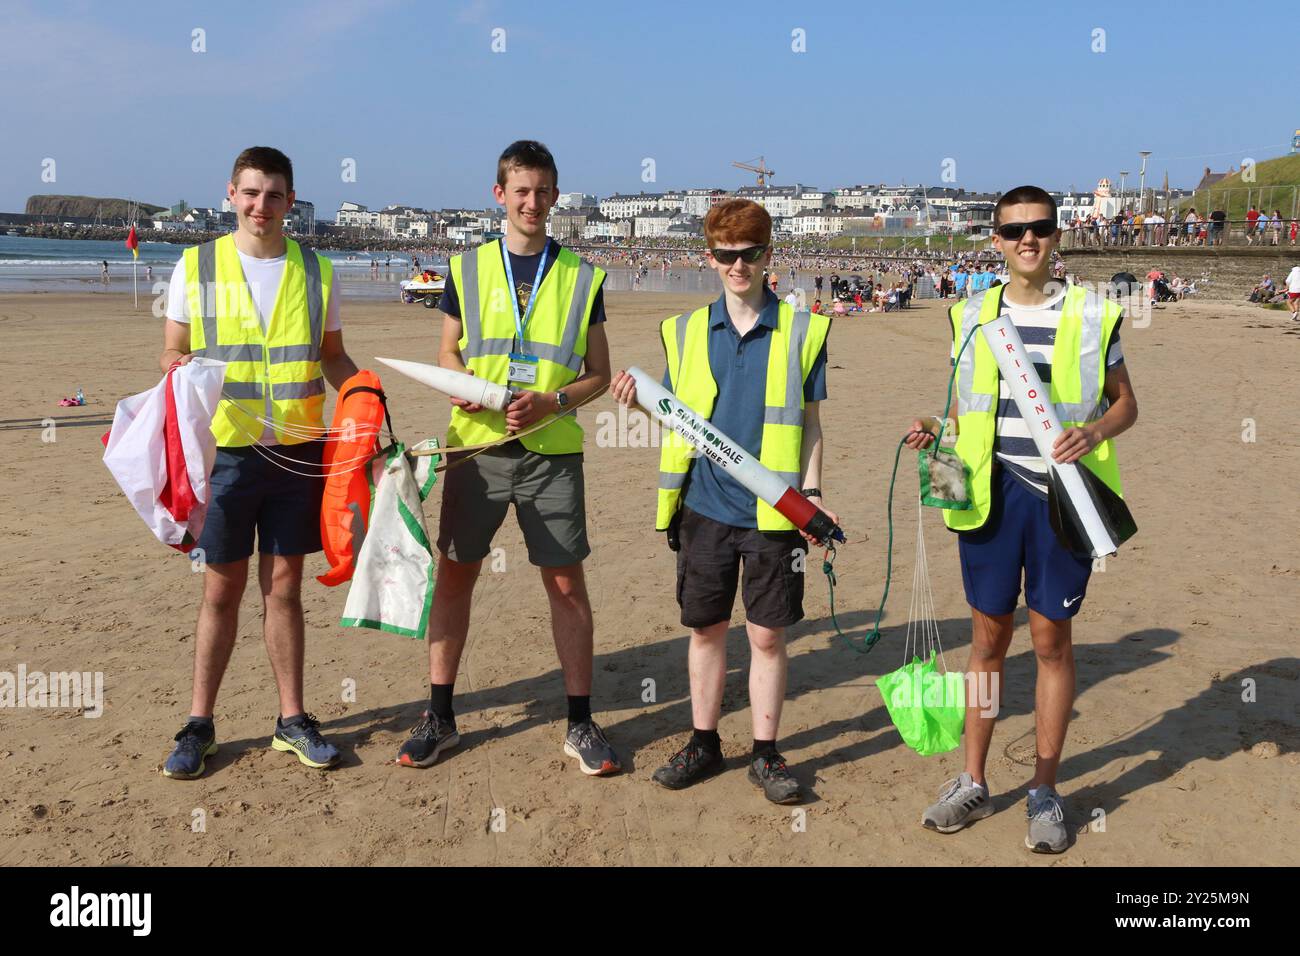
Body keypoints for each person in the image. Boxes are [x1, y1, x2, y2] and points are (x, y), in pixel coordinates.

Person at [905, 185, 1137, 854]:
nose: (1027, 239)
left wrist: (1093, 434)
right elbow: (960, 410)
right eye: (1013, 230)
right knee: (985, 643)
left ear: (1056, 236)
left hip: (1062, 499)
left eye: (1039, 228)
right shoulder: (969, 314)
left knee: (1050, 644)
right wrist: (931, 429)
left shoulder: (1095, 314)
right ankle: (972, 780)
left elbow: (1126, 406)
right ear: (997, 240)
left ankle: (1043, 790)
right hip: (987, 494)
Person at [396, 140, 620, 776]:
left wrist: (552, 401)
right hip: (476, 448)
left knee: (566, 583)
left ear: (555, 195)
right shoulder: (464, 270)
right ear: (499, 195)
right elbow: (446, 354)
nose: (531, 202)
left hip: (552, 453)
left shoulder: (582, 276)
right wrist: (466, 388)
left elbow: (599, 374)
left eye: (542, 191)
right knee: (456, 573)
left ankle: (580, 722)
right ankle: (439, 715)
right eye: (520, 191)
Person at [609, 199, 834, 805]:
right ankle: (703, 743)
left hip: (774, 515)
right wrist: (635, 404)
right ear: (709, 257)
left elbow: (811, 425)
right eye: (726, 255)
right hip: (703, 510)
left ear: (768, 254)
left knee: (766, 638)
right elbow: (676, 416)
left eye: (750, 254)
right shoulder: (682, 331)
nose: (738, 265)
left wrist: (812, 495)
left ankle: (765, 753)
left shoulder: (803, 331)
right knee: (706, 630)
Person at [158, 146, 359, 778]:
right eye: (249, 193)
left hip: (298, 455)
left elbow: (333, 357)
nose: (260, 206)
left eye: (273, 195)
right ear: (230, 194)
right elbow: (172, 353)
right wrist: (181, 373)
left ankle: (292, 720)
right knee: (222, 589)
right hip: (225, 458)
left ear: (290, 202)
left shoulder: (317, 270)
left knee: (285, 589)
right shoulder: (196, 267)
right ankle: (199, 724)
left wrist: (367, 403)